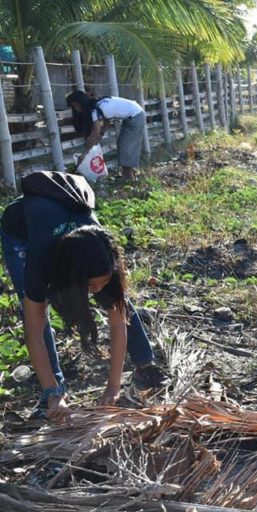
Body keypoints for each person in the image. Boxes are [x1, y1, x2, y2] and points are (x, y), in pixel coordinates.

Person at [0, 172, 167, 418]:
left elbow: (118, 320)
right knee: (35, 310)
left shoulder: (104, 252)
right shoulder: (40, 262)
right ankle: (54, 394)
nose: (97, 291)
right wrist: (52, 393)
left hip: (69, 230)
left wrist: (113, 388)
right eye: (91, 287)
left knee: (119, 299)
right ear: (75, 280)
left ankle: (145, 365)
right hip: (20, 233)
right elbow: (33, 330)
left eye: (102, 282)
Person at [66, 90, 145, 181]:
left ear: (80, 103)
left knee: (126, 147)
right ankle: (129, 177)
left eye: (75, 106)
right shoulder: (98, 104)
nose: (75, 109)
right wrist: (102, 133)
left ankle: (128, 178)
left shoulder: (94, 110)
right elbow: (107, 120)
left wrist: (84, 154)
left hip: (135, 116)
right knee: (124, 145)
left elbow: (95, 133)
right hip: (134, 114)